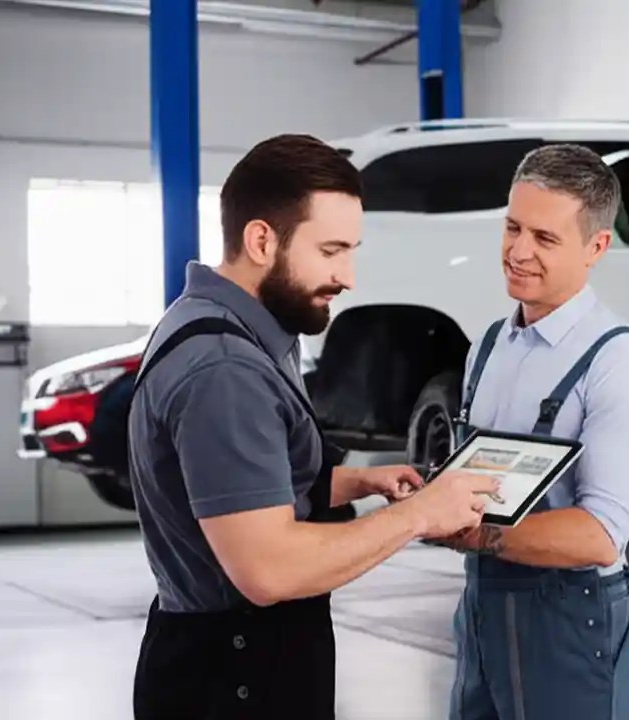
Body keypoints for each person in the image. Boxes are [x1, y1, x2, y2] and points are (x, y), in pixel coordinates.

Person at [127, 134, 498, 720]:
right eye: (330, 250)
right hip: (234, 678)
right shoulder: (226, 368)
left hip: (234, 661)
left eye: (351, 250)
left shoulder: (238, 327)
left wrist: (356, 483)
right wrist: (421, 515)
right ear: (260, 240)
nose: (348, 276)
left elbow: (233, 485)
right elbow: (269, 568)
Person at [434, 144, 629, 720]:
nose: (517, 251)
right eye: (512, 227)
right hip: (483, 604)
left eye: (544, 238)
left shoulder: (620, 362)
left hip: (572, 618)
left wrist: (466, 533)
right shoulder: (487, 347)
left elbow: (600, 535)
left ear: (596, 247)